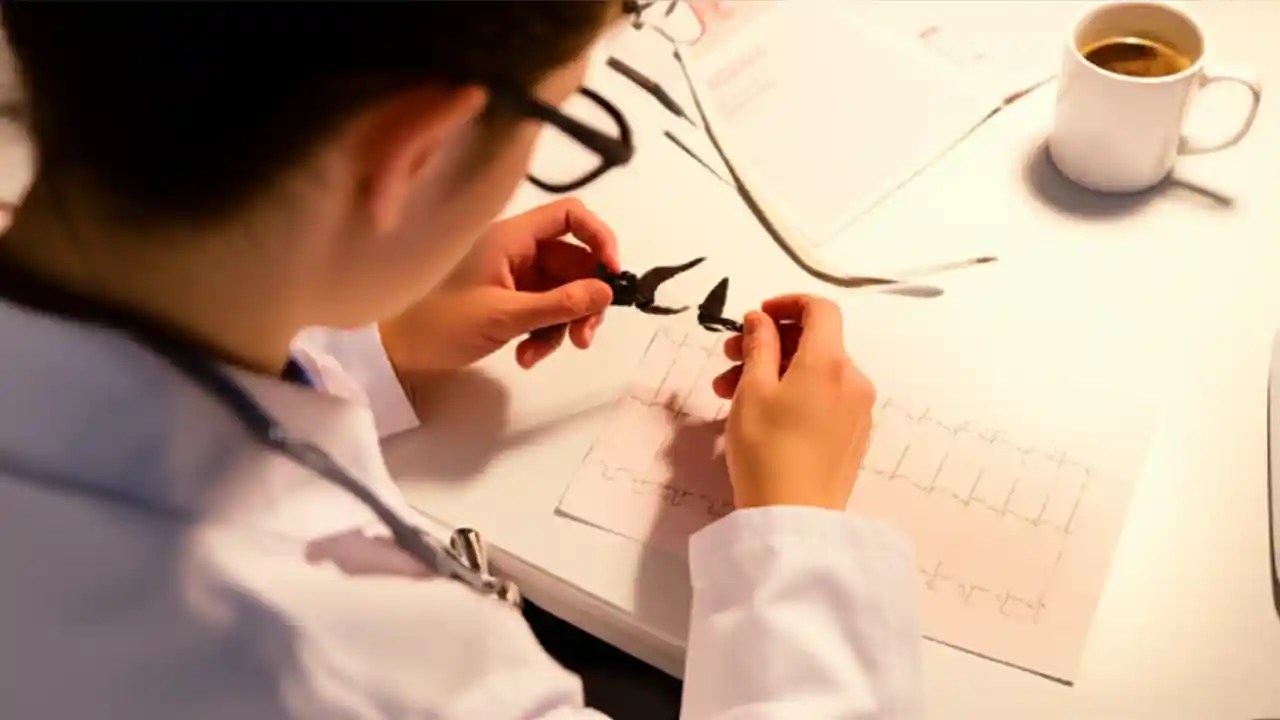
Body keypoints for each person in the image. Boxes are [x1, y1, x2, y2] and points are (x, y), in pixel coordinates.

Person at [0, 3, 922, 718]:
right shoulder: (371, 675)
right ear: (413, 152)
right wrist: (800, 537)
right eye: (559, 116)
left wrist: (365, 329)